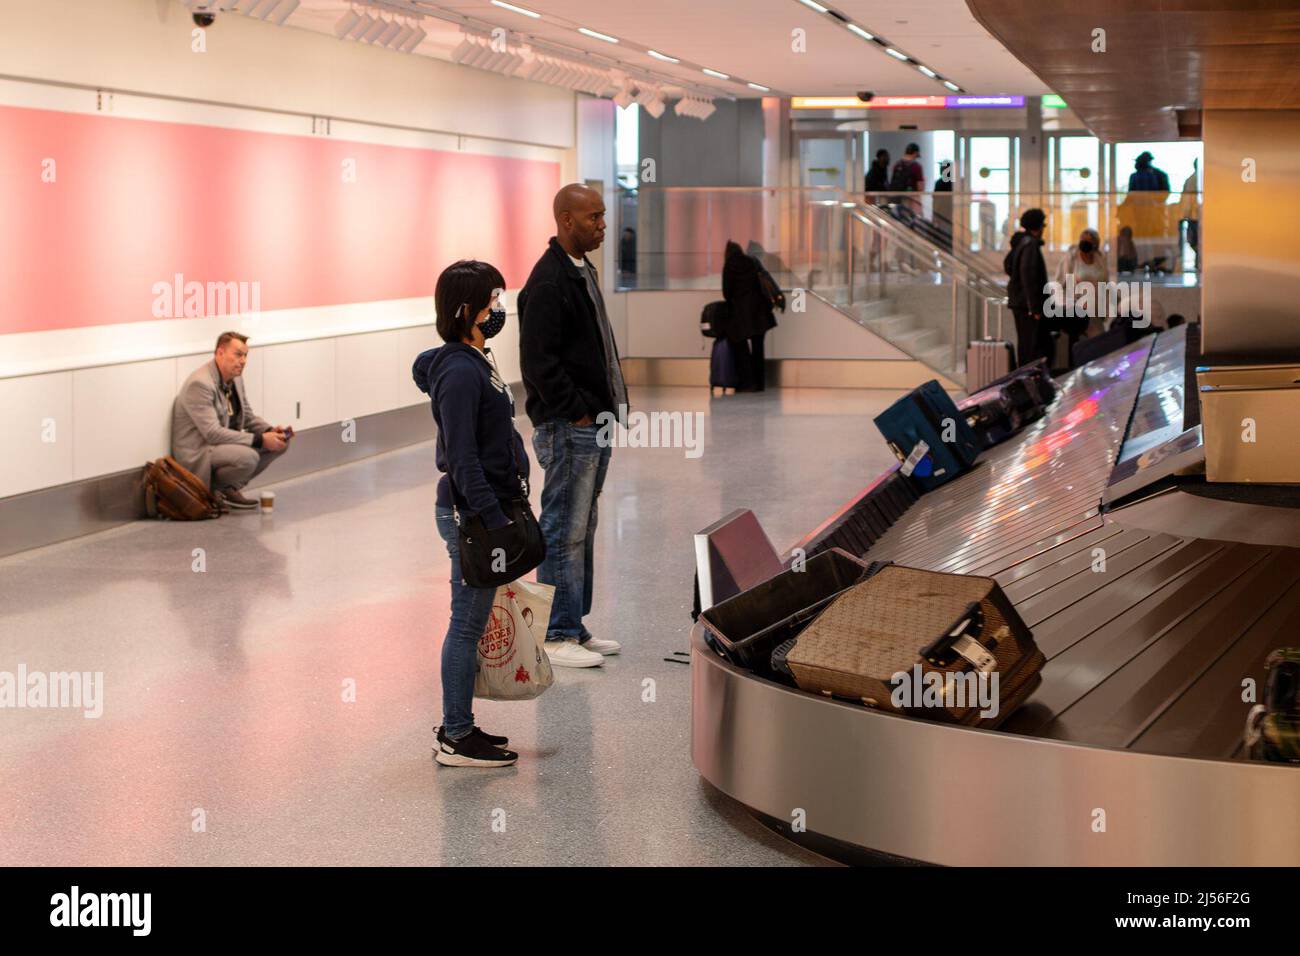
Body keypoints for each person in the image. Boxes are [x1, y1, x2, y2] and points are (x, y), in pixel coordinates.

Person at [413, 259, 523, 768]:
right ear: (466, 310)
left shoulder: (476, 360)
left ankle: (461, 724)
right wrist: (493, 519)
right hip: (470, 516)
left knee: (471, 621)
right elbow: (461, 458)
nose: (498, 309)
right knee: (465, 623)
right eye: (491, 302)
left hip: (484, 510)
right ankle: (455, 734)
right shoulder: (459, 370)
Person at [518, 184, 626, 669]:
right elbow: (538, 362)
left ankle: (574, 626)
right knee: (564, 526)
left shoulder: (582, 271)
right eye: (594, 218)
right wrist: (576, 410)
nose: (602, 226)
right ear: (566, 219)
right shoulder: (547, 282)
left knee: (585, 524)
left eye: (602, 217)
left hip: (594, 422)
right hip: (570, 427)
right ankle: (556, 632)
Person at [171, 331, 290, 509]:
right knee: (248, 457)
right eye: (238, 355)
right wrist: (259, 440)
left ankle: (229, 488)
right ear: (220, 353)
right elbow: (212, 433)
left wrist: (269, 431)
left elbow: (247, 416)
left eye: (245, 355)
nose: (243, 361)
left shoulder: (236, 379)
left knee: (280, 444)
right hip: (200, 451)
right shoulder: (200, 384)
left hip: (221, 445)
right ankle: (211, 490)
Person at [722, 240, 779, 392]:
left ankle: (747, 382)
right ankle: (760, 383)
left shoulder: (729, 265)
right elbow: (764, 280)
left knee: (740, 346)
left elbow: (726, 292)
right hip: (760, 312)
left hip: (742, 315)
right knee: (758, 348)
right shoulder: (753, 261)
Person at [1005, 208, 1051, 369]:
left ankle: (1026, 380)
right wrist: (1035, 308)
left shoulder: (1020, 242)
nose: (1044, 228)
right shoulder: (1030, 244)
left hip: (1020, 303)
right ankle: (1030, 382)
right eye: (1043, 225)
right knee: (1032, 347)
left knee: (1025, 345)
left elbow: (1009, 266)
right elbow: (1028, 274)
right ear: (1037, 226)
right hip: (1027, 306)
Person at [1053, 227, 1110, 355]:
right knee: (1079, 349)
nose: (1084, 243)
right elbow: (1059, 284)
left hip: (1095, 313)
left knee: (1098, 347)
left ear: (1095, 244)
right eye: (1082, 240)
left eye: (1088, 241)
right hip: (1076, 313)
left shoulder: (1100, 260)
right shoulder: (1071, 259)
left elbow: (1105, 285)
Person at [932, 160, 954, 251]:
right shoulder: (941, 183)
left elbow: (936, 200)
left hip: (946, 216)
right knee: (944, 242)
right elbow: (936, 200)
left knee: (945, 242)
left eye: (944, 168)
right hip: (943, 216)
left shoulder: (943, 183)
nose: (942, 170)